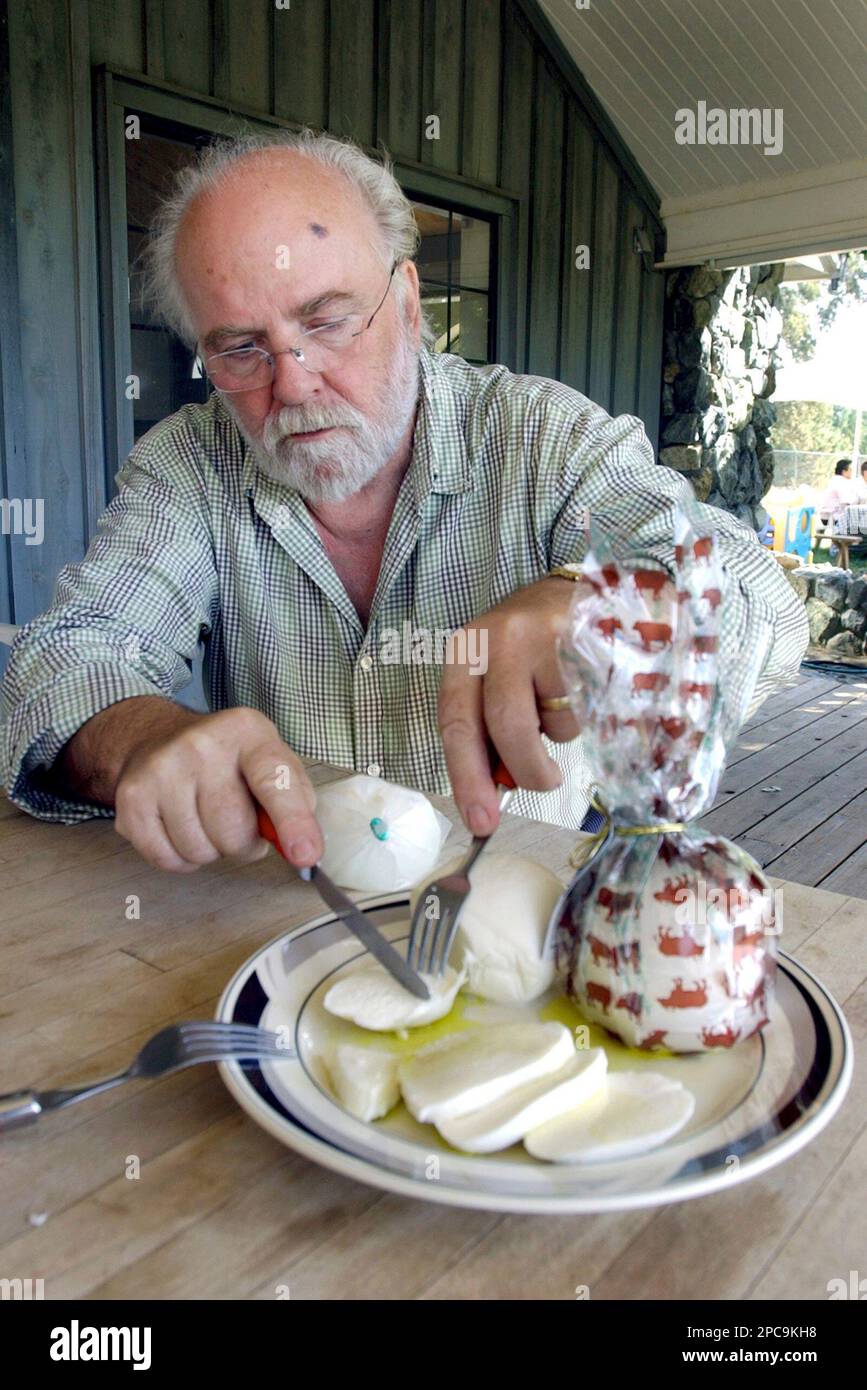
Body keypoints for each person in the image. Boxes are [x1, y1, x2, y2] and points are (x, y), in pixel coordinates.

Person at [0, 129, 808, 875]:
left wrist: (598, 601)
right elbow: (66, 659)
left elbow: (755, 598)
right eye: (240, 348)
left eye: (327, 320)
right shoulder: (190, 462)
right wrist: (146, 739)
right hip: (286, 916)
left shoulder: (541, 435)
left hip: (517, 902)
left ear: (410, 300)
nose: (294, 383)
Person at [817, 458, 859, 524]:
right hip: (832, 518)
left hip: (829, 516)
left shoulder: (836, 480)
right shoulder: (841, 482)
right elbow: (847, 501)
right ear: (844, 471)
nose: (851, 472)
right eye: (850, 470)